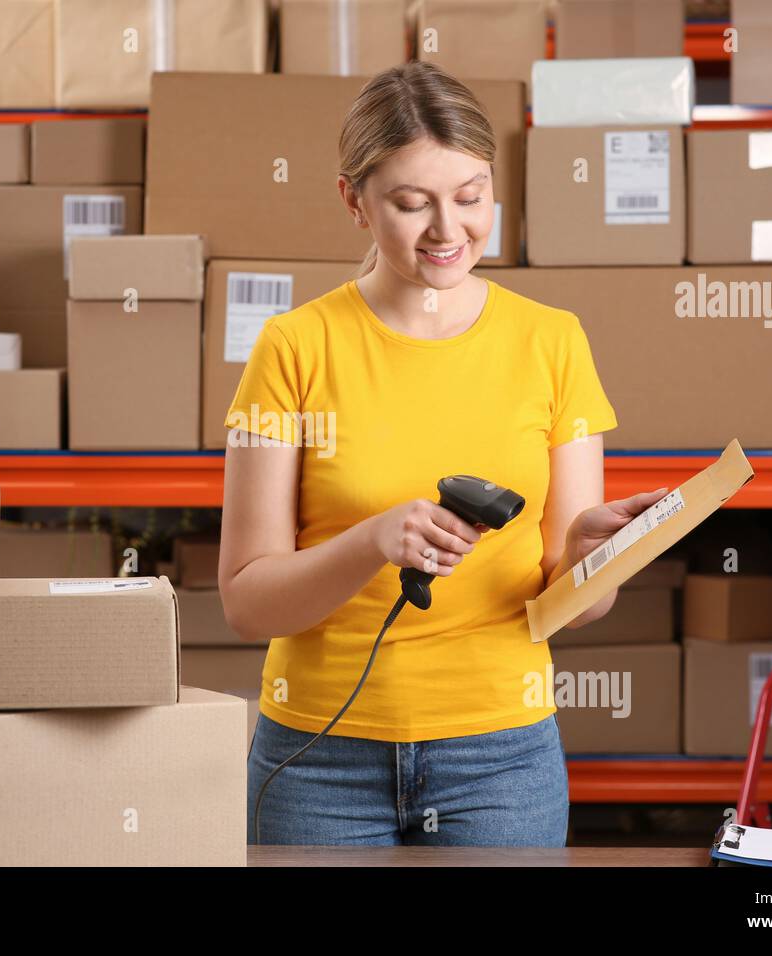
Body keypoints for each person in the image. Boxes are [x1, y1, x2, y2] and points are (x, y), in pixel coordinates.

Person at [219, 61, 671, 847]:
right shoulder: (293, 347)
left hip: (501, 758)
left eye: (471, 197)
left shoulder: (551, 343)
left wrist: (591, 560)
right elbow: (245, 601)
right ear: (352, 201)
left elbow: (574, 605)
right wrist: (370, 543)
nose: (447, 230)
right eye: (409, 203)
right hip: (318, 757)